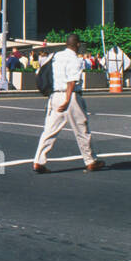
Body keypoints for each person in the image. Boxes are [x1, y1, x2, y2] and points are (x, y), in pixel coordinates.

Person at [33, 33, 105, 174]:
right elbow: (71, 80)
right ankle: (90, 161)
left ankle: (38, 161)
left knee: (49, 131)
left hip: (55, 95)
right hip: (70, 96)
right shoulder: (75, 59)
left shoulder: (55, 56)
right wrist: (67, 99)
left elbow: (41, 71)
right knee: (82, 130)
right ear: (77, 44)